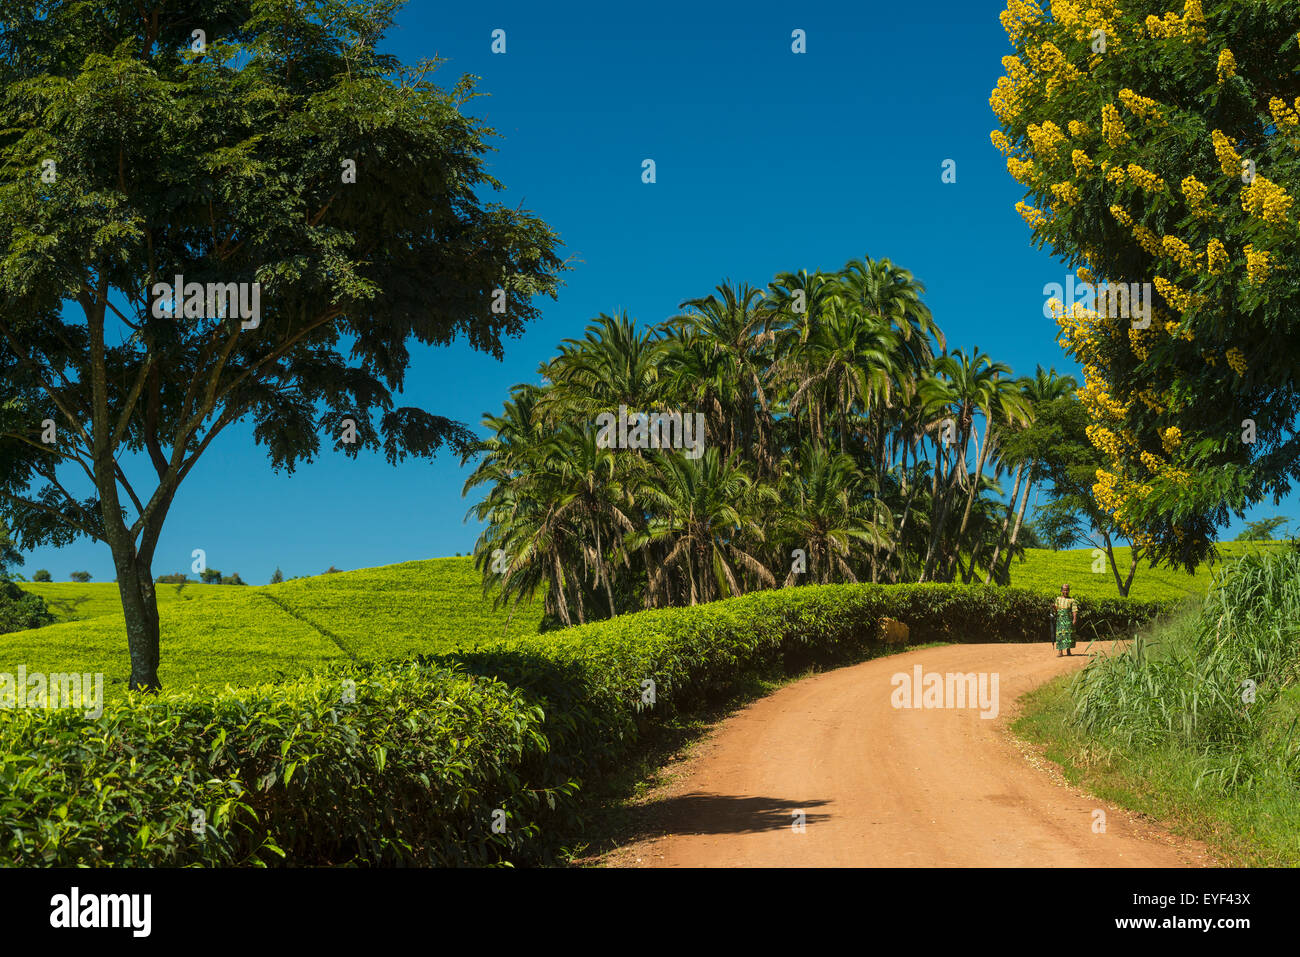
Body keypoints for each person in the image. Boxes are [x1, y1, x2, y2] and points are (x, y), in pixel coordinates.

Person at [1054, 584, 1079, 657]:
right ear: (1061, 591)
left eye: (1067, 590)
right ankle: (1060, 651)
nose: (1066, 591)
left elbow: (1074, 610)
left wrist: (1074, 619)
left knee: (1068, 635)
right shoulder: (1058, 599)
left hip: (1068, 619)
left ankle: (1068, 650)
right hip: (1060, 619)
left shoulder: (1072, 600)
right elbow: (1056, 610)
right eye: (1064, 590)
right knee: (1060, 635)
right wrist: (1054, 607)